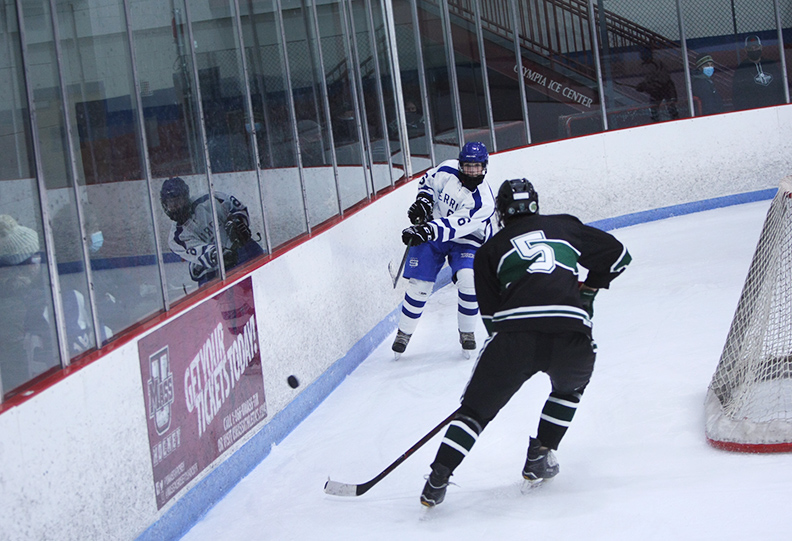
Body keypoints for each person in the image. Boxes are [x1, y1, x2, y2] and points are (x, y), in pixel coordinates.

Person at [419, 178, 632, 507]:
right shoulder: (565, 226)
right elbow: (620, 256)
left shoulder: (488, 250)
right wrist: (588, 291)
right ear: (535, 203)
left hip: (515, 338)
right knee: (569, 390)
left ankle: (438, 478)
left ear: (502, 213)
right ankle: (540, 456)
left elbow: (491, 321)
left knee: (474, 413)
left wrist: (501, 371)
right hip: (571, 334)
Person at [393, 141, 496, 359]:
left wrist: (425, 231)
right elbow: (428, 182)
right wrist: (423, 201)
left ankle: (466, 331)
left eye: (476, 167)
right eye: (468, 166)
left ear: (484, 167)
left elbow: (453, 226)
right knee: (419, 285)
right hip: (435, 228)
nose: (472, 171)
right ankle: (404, 333)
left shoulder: (483, 202)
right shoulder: (447, 169)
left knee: (469, 279)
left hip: (468, 238)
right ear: (460, 164)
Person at [160, 177, 264, 286]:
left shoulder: (210, 199)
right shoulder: (176, 239)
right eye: (170, 203)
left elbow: (237, 208)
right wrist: (217, 254)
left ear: (186, 198)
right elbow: (205, 254)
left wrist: (239, 221)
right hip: (213, 271)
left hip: (243, 250)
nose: (174, 206)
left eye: (178, 201)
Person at [0, 215, 57, 395]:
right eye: (36, 257)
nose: (39, 262)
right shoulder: (14, 305)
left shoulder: (28, 293)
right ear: (26, 264)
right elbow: (16, 367)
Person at [731, 35, 785, 111]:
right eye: (750, 48)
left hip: (775, 108)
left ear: (761, 47)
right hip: (754, 111)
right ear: (746, 50)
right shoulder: (742, 69)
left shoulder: (770, 65)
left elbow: (781, 86)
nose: (754, 50)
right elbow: (737, 94)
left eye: (756, 47)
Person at [635, 46, 679, 122]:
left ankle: (675, 120)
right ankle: (655, 121)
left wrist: (645, 86)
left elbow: (662, 80)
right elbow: (649, 81)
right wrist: (643, 86)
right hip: (656, 91)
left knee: (671, 108)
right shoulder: (644, 65)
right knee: (653, 109)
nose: (641, 55)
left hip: (666, 89)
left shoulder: (657, 64)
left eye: (643, 53)